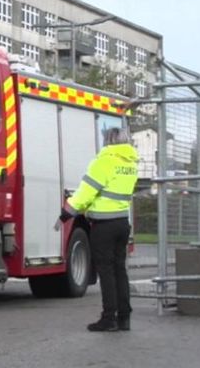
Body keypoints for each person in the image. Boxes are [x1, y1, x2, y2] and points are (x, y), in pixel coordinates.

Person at [57, 127, 139, 332]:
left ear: (108, 140)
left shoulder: (104, 161)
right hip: (122, 222)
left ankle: (108, 317)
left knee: (107, 272)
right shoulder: (130, 164)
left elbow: (86, 192)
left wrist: (67, 212)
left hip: (104, 225)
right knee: (120, 270)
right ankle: (124, 318)